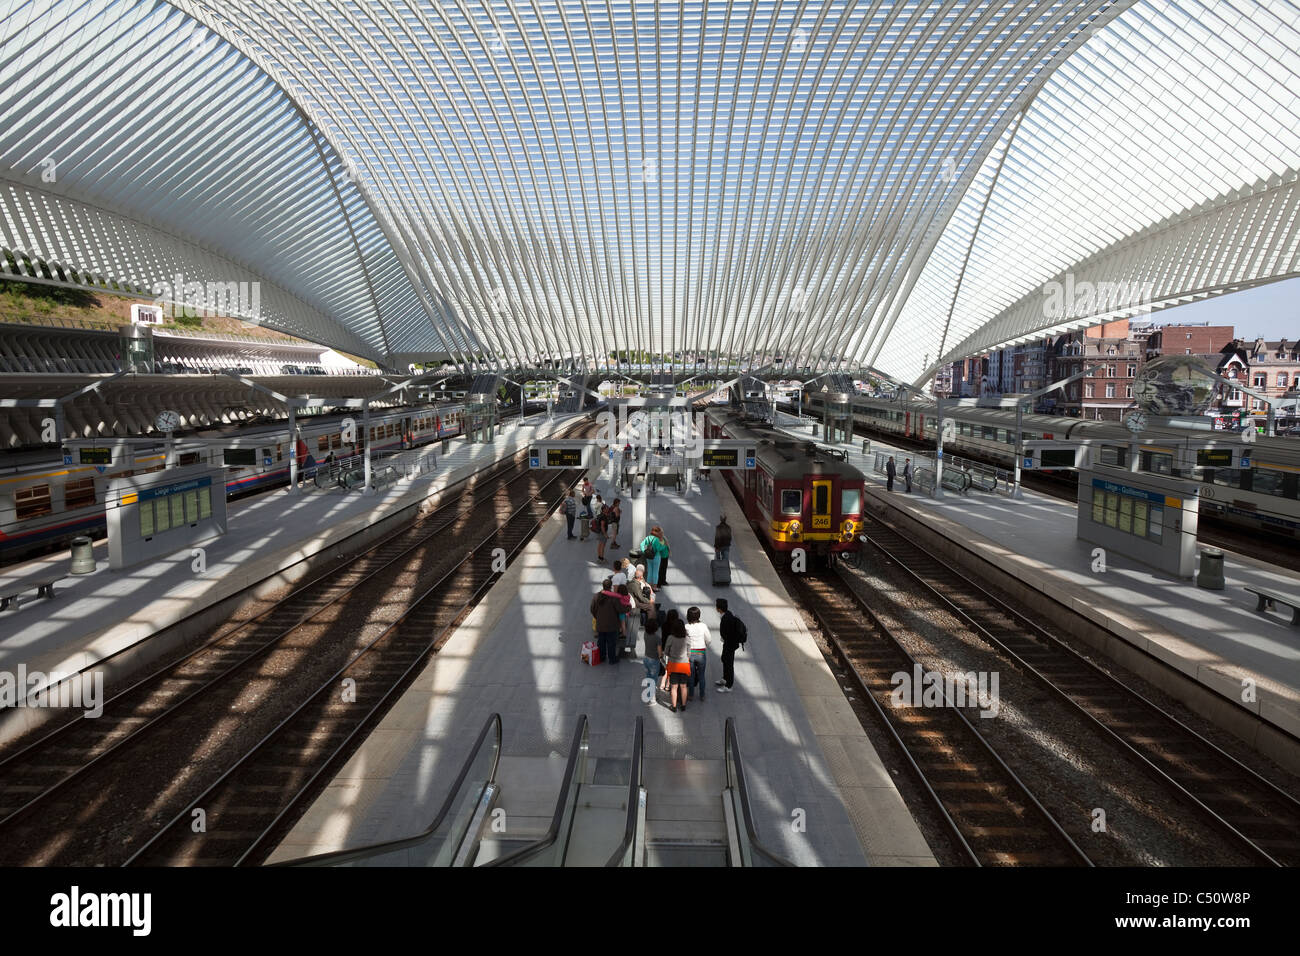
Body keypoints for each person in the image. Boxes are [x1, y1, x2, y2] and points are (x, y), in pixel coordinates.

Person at [715, 597, 745, 693]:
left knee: (729, 664)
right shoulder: (728, 614)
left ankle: (729, 685)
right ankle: (725, 678)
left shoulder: (726, 619)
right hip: (729, 643)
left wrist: (724, 638)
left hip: (730, 645)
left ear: (719, 609)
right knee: (724, 659)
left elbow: (728, 633)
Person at [590, 578, 622, 667]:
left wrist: (598, 617)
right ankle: (612, 659)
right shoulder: (614, 597)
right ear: (611, 587)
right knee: (611, 642)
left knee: (601, 641)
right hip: (612, 626)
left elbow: (592, 609)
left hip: (600, 625)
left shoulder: (596, 596)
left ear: (603, 586)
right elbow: (620, 609)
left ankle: (602, 657)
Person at [663, 618, 691, 713]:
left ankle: (674, 706)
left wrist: (671, 655)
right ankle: (683, 705)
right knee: (683, 686)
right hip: (684, 665)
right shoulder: (687, 638)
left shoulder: (670, 638)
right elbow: (689, 653)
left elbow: (666, 651)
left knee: (674, 687)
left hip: (673, 664)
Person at [684, 606, 711, 702]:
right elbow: (708, 639)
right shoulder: (703, 626)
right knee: (701, 675)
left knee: (691, 676)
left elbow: (684, 641)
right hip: (701, 653)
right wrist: (705, 644)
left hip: (690, 654)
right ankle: (702, 695)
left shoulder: (686, 627)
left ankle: (691, 695)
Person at [658, 609, 681, 692]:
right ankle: (667, 685)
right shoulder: (677, 626)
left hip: (665, 648)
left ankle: (663, 684)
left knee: (667, 667)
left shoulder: (664, 625)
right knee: (671, 668)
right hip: (674, 650)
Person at [640, 610, 663, 691]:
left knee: (648, 676)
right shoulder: (657, 638)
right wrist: (662, 657)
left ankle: (649, 689)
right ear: (656, 628)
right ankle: (651, 697)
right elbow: (660, 653)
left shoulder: (645, 634)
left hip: (646, 658)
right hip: (654, 660)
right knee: (654, 678)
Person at [594, 495, 610, 562]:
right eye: (606, 508)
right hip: (602, 533)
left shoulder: (600, 515)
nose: (608, 509)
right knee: (602, 545)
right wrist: (605, 534)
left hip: (599, 532)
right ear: (604, 510)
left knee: (600, 544)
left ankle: (599, 557)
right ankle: (602, 558)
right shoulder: (603, 517)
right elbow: (602, 526)